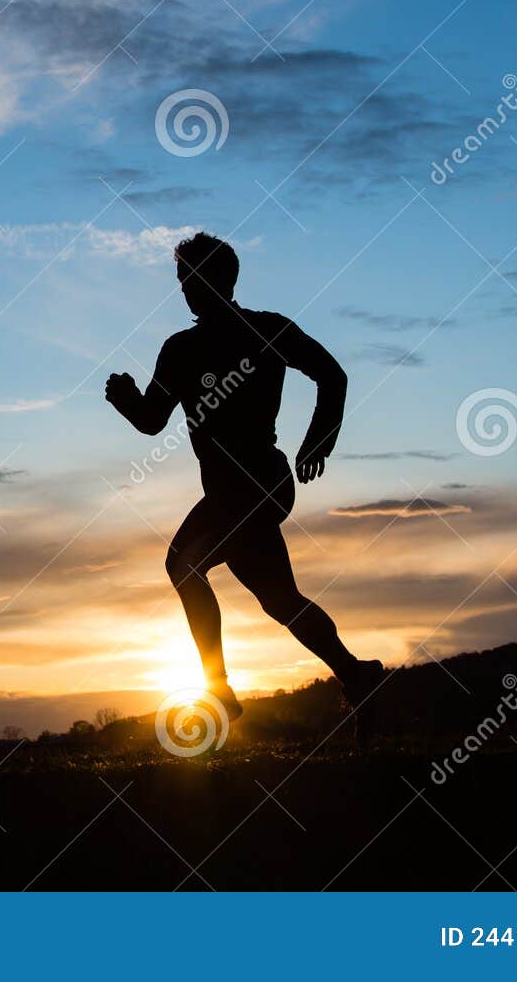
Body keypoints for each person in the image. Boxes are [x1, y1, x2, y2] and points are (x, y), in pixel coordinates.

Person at [105, 231, 382, 730]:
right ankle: (357, 675)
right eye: (183, 282)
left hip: (257, 482)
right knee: (280, 600)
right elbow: (152, 419)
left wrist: (319, 440)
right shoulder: (180, 349)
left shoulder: (265, 330)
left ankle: (217, 688)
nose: (188, 291)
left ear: (224, 280)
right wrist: (126, 400)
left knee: (183, 565)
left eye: (195, 279)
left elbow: (332, 376)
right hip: (235, 492)